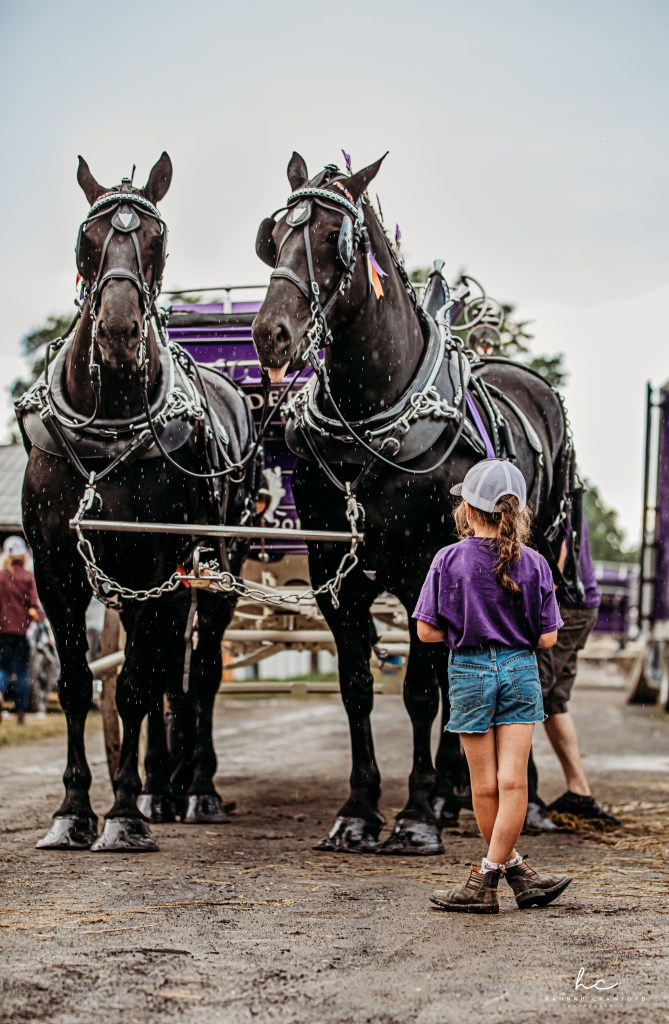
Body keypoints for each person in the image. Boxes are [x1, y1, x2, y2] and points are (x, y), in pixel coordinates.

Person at [413, 459, 572, 914]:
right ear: (516, 512)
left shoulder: (448, 559)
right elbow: (547, 638)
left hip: (468, 671)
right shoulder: (537, 563)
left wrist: (467, 631)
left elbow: (426, 633)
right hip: (521, 671)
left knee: (482, 785)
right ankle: (517, 872)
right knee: (513, 782)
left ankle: (483, 879)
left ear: (467, 508)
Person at [525, 510, 621, 831]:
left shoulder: (552, 492)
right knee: (553, 702)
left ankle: (520, 798)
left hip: (566, 606)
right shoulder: (565, 485)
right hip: (583, 601)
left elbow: (557, 558)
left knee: (525, 698)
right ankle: (579, 792)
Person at [0, 536, 42, 724]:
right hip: (21, 632)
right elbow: (33, 606)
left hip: (2, 632)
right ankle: (21, 711)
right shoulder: (28, 577)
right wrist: (37, 615)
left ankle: (0, 695)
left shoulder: (0, 577)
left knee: (2, 670)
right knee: (23, 674)